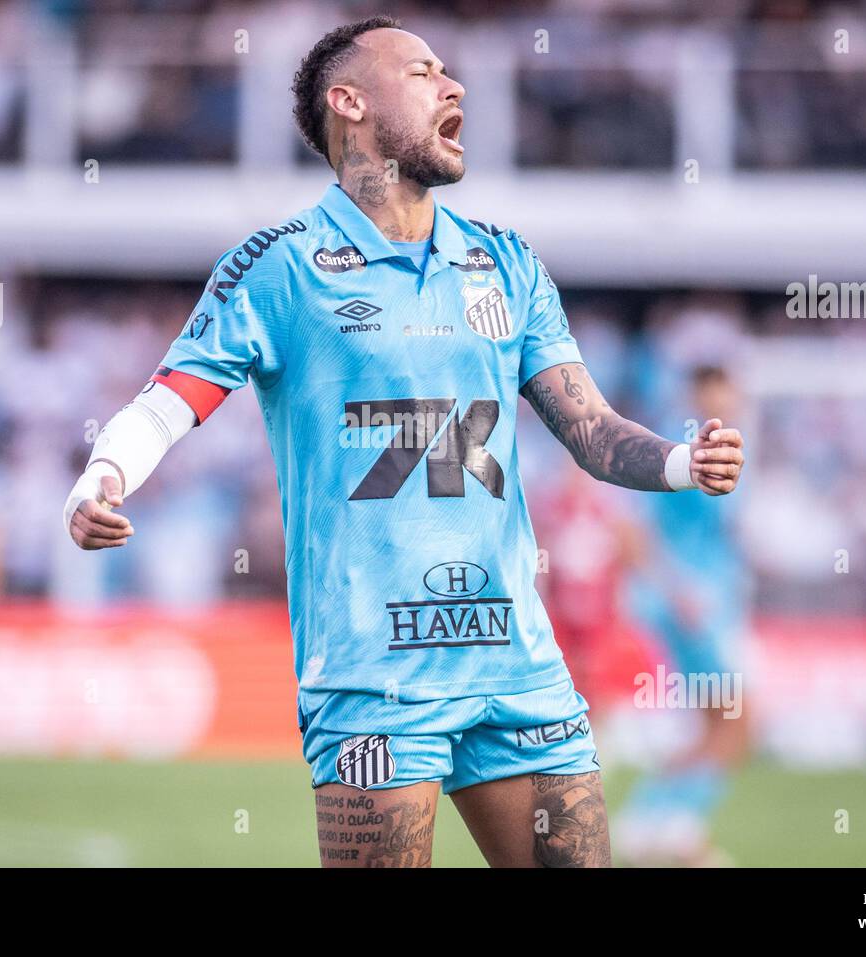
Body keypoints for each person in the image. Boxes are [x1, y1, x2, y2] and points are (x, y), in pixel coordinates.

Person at [62, 16, 745, 867]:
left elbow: (591, 428)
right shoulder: (278, 267)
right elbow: (169, 401)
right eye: (424, 72)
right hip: (374, 680)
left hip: (517, 667)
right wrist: (102, 474)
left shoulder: (506, 262)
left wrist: (685, 462)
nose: (453, 87)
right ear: (349, 103)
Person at [615, 365, 753, 866]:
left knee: (720, 721)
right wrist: (677, 592)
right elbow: (632, 530)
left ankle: (658, 822)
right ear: (696, 397)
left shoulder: (737, 451)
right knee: (736, 720)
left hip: (713, 604)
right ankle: (665, 821)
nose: (723, 403)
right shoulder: (675, 449)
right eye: (712, 394)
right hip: (686, 609)